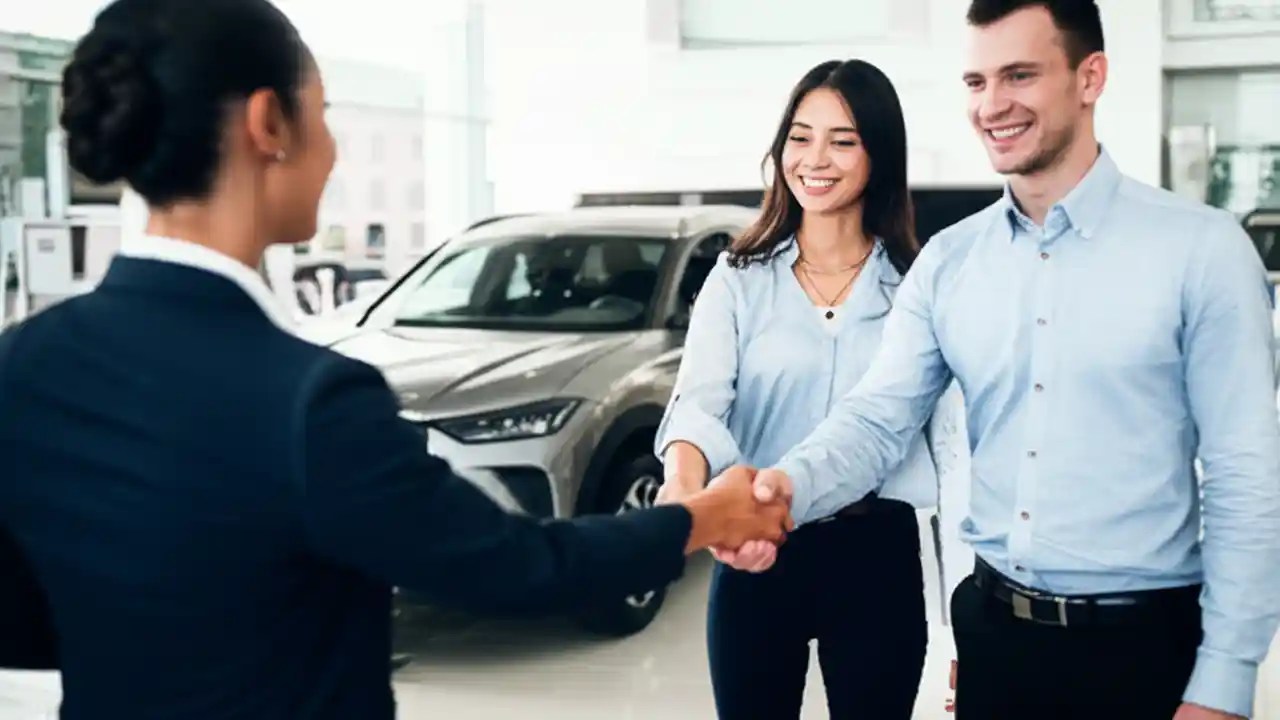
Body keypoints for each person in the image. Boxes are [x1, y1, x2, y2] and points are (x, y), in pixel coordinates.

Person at [0, 0, 792, 717]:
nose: (335, 148)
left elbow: (19, 617)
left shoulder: (24, 364)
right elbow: (518, 568)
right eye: (324, 112)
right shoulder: (309, 401)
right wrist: (699, 517)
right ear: (268, 123)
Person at [730, 1, 1280, 719]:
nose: (993, 105)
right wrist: (782, 491)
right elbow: (875, 420)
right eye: (975, 81)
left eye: (1019, 75)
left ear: (1091, 77)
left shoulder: (1201, 252)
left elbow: (1246, 475)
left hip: (1145, 651)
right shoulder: (950, 263)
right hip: (997, 641)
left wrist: (1225, 681)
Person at [654, 59, 949, 719]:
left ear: (881, 154)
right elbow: (699, 403)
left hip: (878, 556)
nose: (816, 158)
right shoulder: (739, 276)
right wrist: (682, 488)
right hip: (756, 552)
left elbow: (948, 449)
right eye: (800, 136)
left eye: (843, 140)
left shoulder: (918, 286)